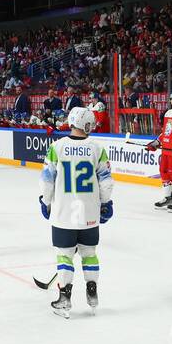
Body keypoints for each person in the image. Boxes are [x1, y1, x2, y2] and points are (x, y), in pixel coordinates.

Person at [39, 106, 113, 318]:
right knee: (89, 254)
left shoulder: (57, 146)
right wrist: (106, 203)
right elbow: (106, 180)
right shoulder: (97, 148)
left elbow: (47, 179)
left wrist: (45, 201)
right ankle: (92, 293)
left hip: (64, 214)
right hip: (90, 214)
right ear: (87, 124)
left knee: (64, 256)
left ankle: (65, 298)